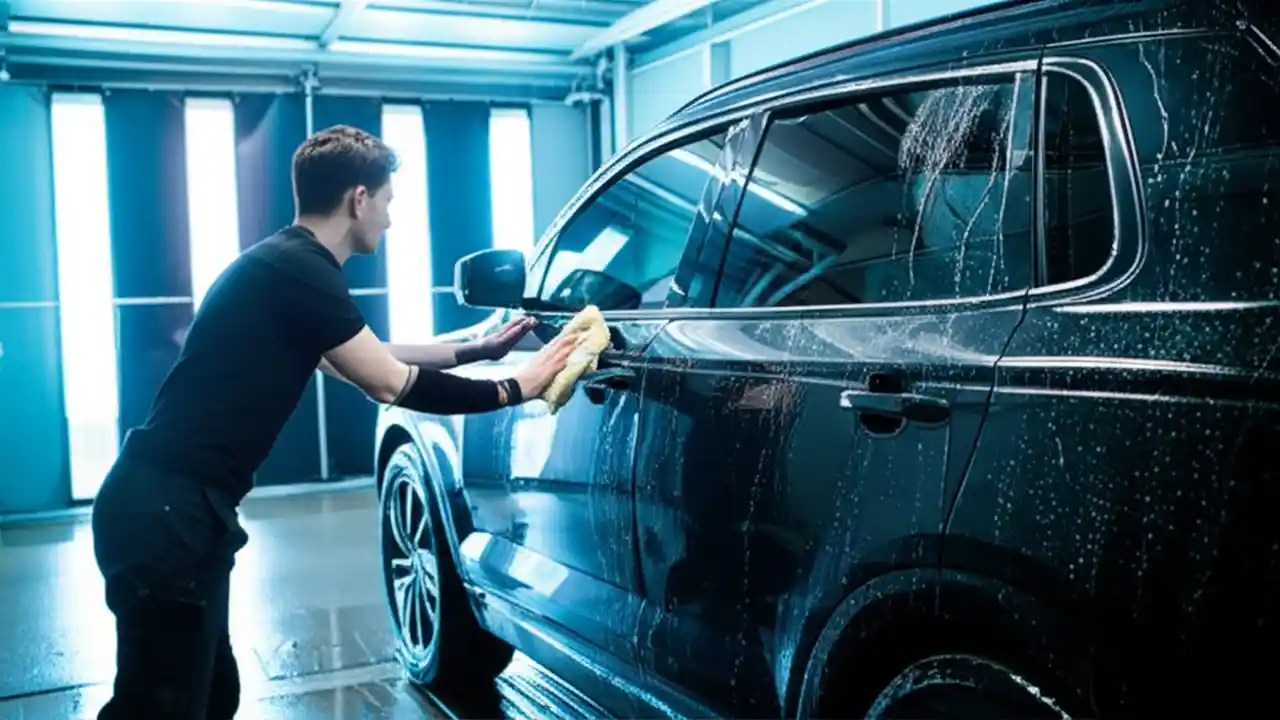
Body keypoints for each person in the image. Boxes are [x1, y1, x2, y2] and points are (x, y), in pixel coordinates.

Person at [90, 124, 580, 719]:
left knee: (210, 695)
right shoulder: (302, 273)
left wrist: (475, 352)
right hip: (167, 517)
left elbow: (356, 354)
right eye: (388, 202)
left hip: (169, 508)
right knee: (162, 706)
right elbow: (385, 382)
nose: (390, 220)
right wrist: (514, 389)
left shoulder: (285, 264)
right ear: (358, 199)